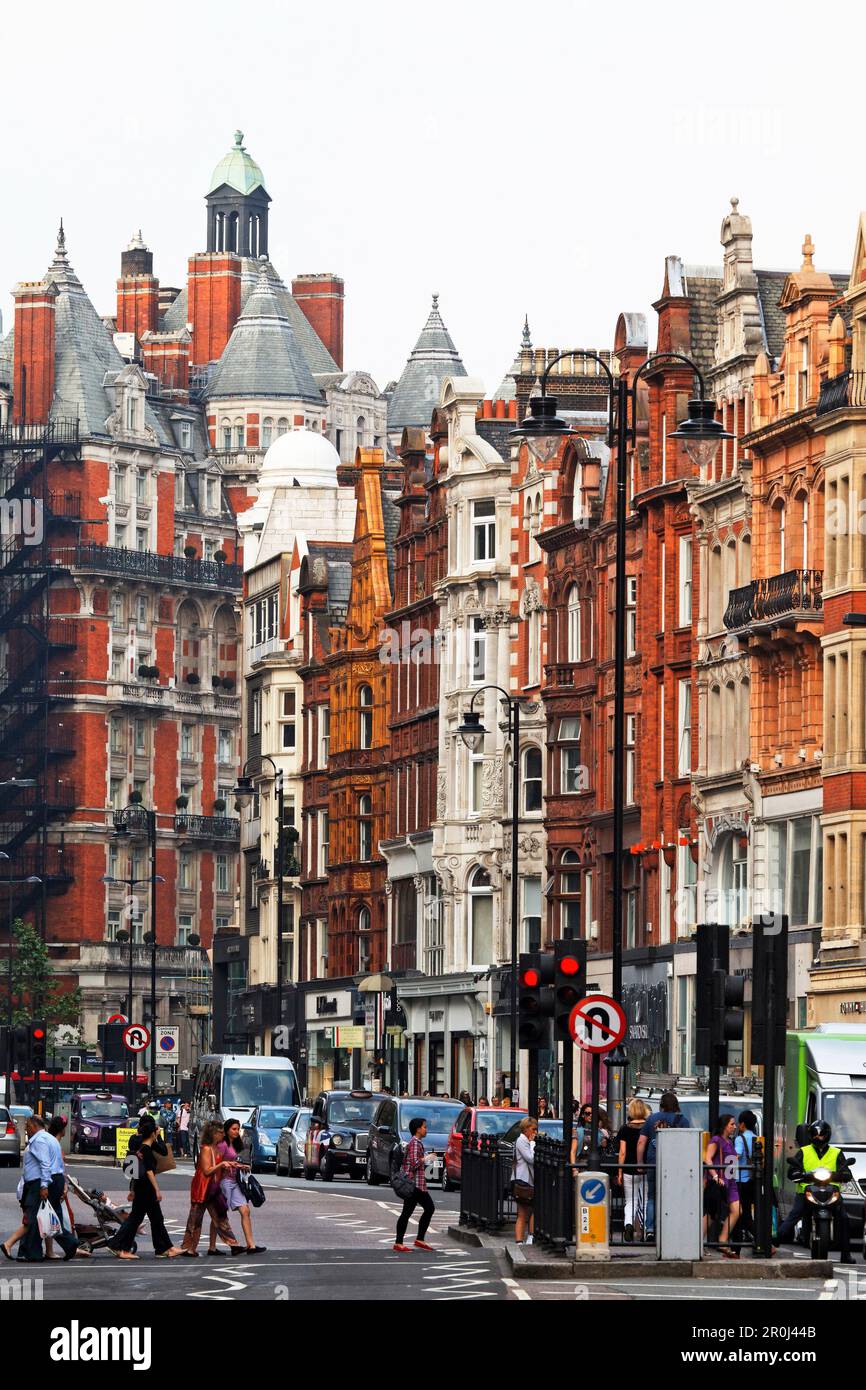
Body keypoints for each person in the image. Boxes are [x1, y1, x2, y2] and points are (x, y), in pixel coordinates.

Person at [773, 1120, 855, 1264]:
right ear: (810, 1136)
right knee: (794, 1214)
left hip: (831, 1191)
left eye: (822, 1135)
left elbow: (847, 1172)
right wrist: (798, 1174)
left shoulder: (836, 1153)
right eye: (815, 1135)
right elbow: (791, 1171)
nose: (819, 1138)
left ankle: (846, 1254)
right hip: (807, 1191)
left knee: (843, 1218)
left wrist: (842, 1174)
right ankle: (774, 1241)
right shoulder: (804, 1151)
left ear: (827, 1135)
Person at [107, 1115, 182, 1259]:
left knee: (153, 1217)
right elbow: (153, 1164)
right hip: (146, 1186)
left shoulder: (135, 1141)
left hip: (139, 1183)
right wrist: (157, 1190)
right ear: (152, 1131)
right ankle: (118, 1245)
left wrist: (132, 1188)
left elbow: (135, 1166)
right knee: (137, 1218)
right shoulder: (147, 1146)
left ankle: (164, 1248)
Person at [17, 1115, 84, 1263]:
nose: (26, 1129)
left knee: (34, 1215)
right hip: (55, 1180)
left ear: (35, 1126)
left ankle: (34, 1253)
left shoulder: (40, 1140)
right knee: (51, 1217)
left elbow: (45, 1164)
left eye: (27, 1126)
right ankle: (69, 1244)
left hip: (45, 1181)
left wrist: (43, 1185)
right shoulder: (49, 1139)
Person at [180, 1121, 241, 1257]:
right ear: (214, 1134)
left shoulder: (216, 1149)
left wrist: (230, 1165)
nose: (223, 1135)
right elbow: (207, 1171)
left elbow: (217, 1168)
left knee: (220, 1215)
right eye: (221, 1133)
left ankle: (234, 1244)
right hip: (203, 1188)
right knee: (196, 1219)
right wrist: (222, 1165)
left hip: (213, 1188)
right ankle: (189, 1248)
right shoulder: (206, 1149)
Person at [636, 1091, 690, 1239]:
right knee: (673, 1196)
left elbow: (641, 1142)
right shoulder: (683, 1121)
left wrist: (640, 1163)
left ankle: (650, 1229)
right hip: (675, 1164)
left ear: (661, 1105)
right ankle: (670, 1227)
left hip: (654, 1162)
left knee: (652, 1196)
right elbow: (687, 1145)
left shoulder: (652, 1119)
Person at [216, 1118, 266, 1255]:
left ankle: (251, 1245)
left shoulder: (235, 1145)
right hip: (224, 1182)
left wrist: (240, 1166)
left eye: (238, 1129)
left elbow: (232, 1161)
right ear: (226, 1130)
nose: (237, 1131)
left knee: (245, 1211)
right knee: (219, 1214)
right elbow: (217, 1163)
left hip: (235, 1181)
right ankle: (212, 1247)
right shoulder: (222, 1145)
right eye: (234, 1129)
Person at [393, 1117, 436, 1252]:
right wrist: (427, 1158)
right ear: (418, 1129)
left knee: (428, 1209)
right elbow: (413, 1164)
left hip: (419, 1184)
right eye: (424, 1127)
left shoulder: (416, 1142)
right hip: (413, 1185)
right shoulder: (415, 1143)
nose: (426, 1129)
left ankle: (419, 1239)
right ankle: (399, 1242)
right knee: (409, 1212)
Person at [705, 1114, 741, 1258]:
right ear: (725, 1125)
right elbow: (707, 1158)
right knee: (711, 1214)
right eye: (732, 1124)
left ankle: (723, 1239)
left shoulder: (729, 1141)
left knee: (736, 1210)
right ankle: (704, 1242)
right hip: (719, 1181)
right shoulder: (716, 1140)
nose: (734, 1127)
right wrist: (714, 1176)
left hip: (730, 1180)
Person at [616, 1097, 651, 1242]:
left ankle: (628, 1224)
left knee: (630, 1201)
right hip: (645, 1168)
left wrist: (619, 1171)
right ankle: (643, 1230)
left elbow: (622, 1152)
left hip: (628, 1169)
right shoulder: (648, 1127)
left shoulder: (624, 1128)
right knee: (645, 1201)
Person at [734, 1110, 758, 1245]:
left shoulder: (740, 1138)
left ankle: (764, 1240)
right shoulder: (756, 1138)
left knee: (742, 1214)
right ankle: (759, 1239)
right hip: (752, 1180)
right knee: (747, 1211)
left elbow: (737, 1154)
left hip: (741, 1181)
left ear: (742, 1124)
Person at [513, 1117, 537, 1247]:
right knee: (526, 1211)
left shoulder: (523, 1140)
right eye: (533, 1129)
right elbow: (530, 1158)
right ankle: (527, 1238)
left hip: (525, 1180)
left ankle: (522, 1240)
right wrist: (533, 1144)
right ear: (526, 1128)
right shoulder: (522, 1140)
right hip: (524, 1180)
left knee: (524, 1212)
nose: (535, 1132)